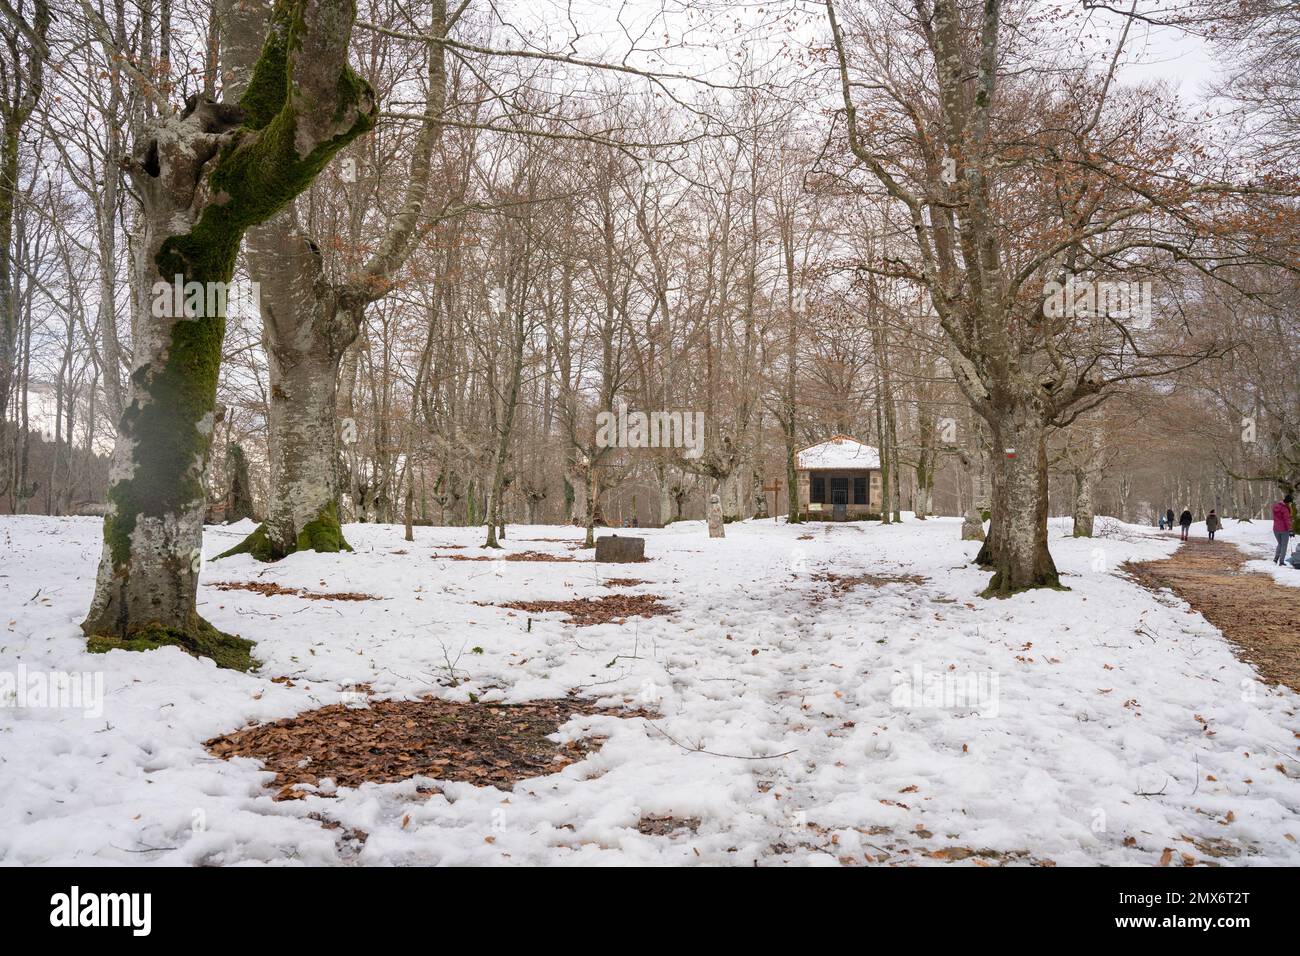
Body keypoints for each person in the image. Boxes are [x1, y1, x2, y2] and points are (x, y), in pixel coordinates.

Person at [1273, 494, 1294, 565]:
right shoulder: (1285, 509)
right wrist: (1290, 530)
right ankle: (1281, 561)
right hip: (1284, 529)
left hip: (1275, 529)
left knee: (1280, 544)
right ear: (1288, 502)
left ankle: (1276, 558)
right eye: (1290, 502)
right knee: (1284, 546)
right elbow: (1287, 520)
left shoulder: (1276, 506)